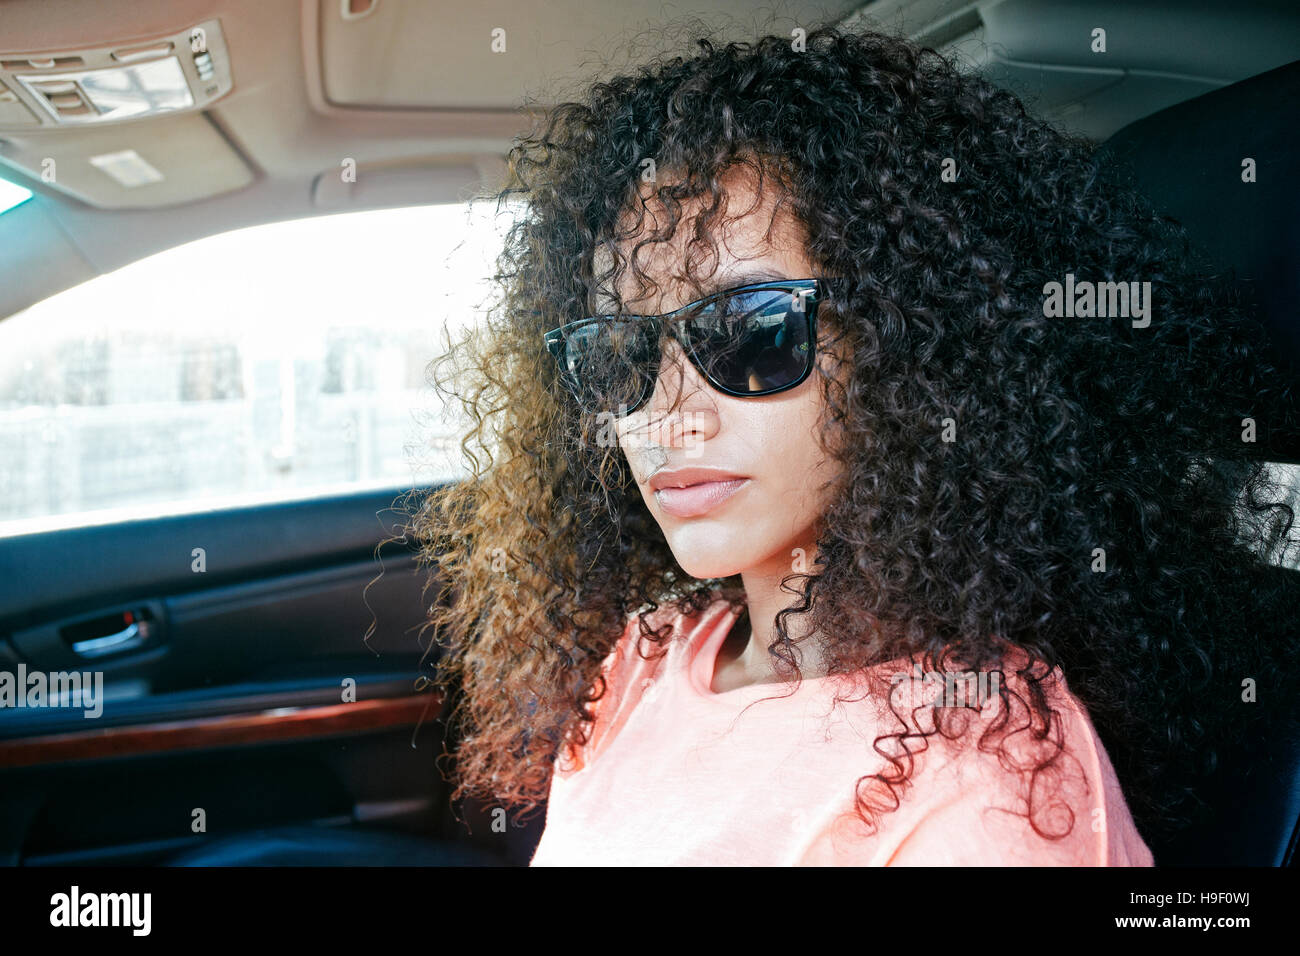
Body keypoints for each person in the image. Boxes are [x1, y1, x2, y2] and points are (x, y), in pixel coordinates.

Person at [406, 24, 1300, 865]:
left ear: (904, 350)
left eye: (752, 329)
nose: (662, 415)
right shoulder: (641, 658)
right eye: (618, 351)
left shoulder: (982, 764)